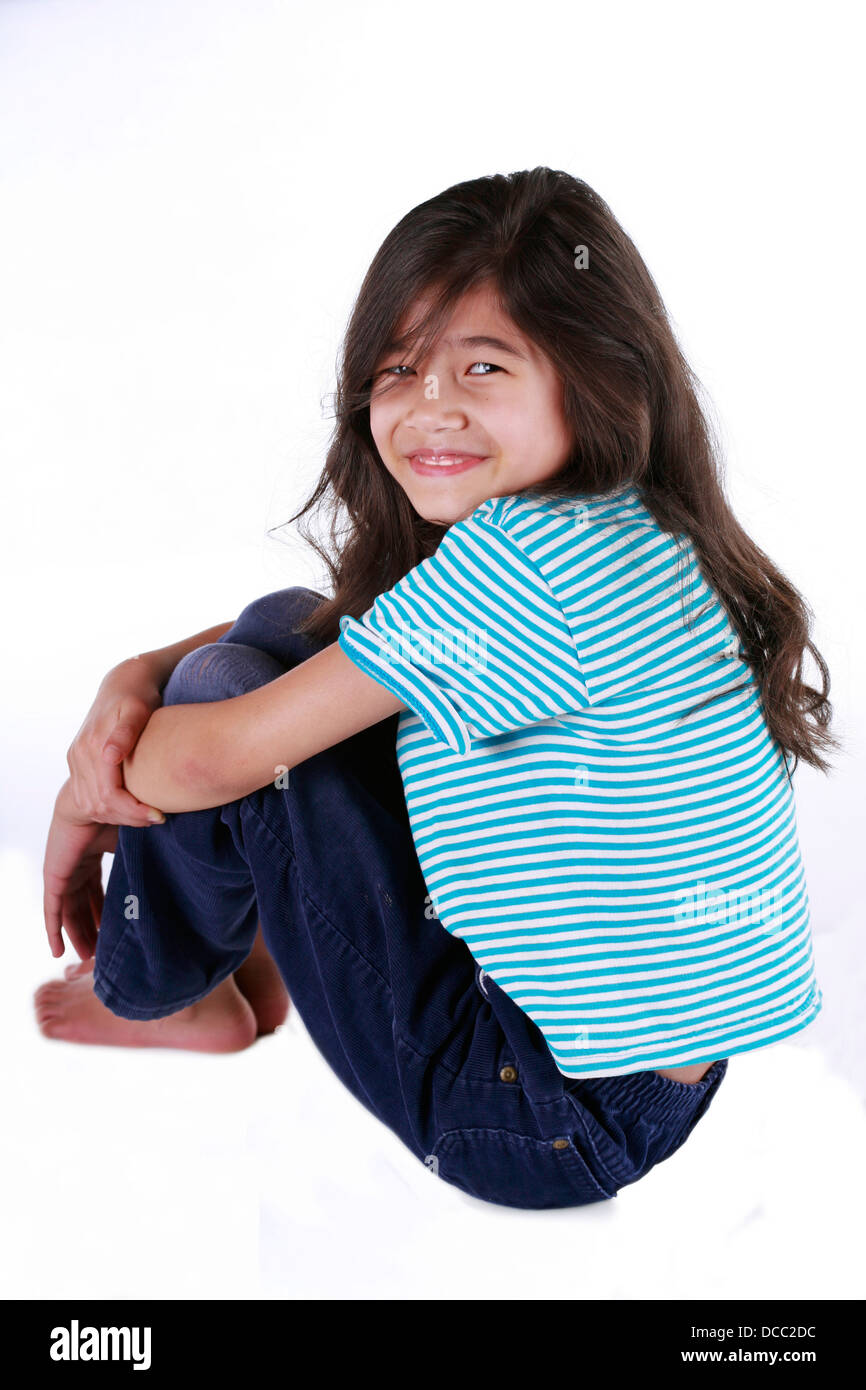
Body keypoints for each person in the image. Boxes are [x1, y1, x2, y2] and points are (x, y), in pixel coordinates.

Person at [34, 168, 837, 1209]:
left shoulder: (522, 569)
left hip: (525, 1116)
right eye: (400, 370)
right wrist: (129, 675)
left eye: (483, 366)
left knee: (225, 691)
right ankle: (254, 965)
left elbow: (207, 757)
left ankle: (152, 989)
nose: (430, 407)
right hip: (639, 1077)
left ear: (598, 379)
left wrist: (81, 791)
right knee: (277, 631)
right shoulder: (621, 524)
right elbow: (326, 630)